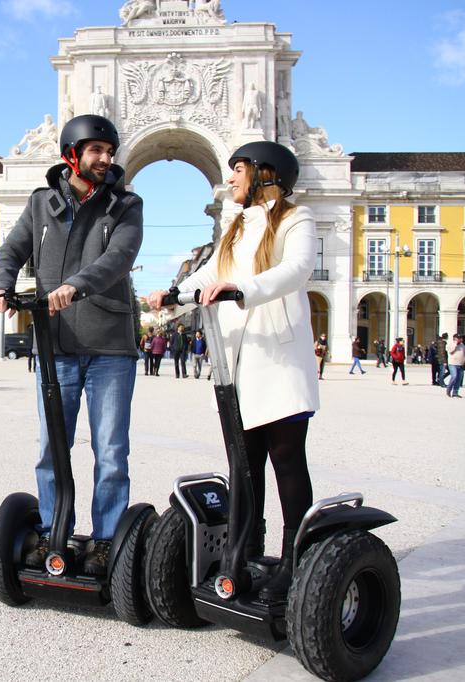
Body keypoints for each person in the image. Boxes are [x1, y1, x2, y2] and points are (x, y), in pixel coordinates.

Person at [148, 140, 317, 602]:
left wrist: (242, 287)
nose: (231, 179)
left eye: (238, 169)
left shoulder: (295, 218)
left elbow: (297, 268)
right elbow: (211, 274)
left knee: (286, 460)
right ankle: (244, 552)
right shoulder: (237, 225)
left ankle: (294, 559)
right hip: (237, 359)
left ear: (266, 172)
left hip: (279, 358)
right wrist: (174, 292)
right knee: (243, 466)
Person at [0, 114, 143, 576]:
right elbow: (12, 249)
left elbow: (120, 257)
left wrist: (77, 284)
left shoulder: (125, 204)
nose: (105, 159)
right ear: (72, 154)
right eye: (96, 150)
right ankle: (55, 531)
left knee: (111, 450)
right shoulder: (41, 205)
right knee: (52, 447)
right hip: (55, 347)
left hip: (110, 347)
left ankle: (105, 541)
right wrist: (0, 283)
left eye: (109, 152)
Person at [445, 333, 465, 398]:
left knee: (459, 379)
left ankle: (455, 392)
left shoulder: (462, 345)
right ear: (454, 339)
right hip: (452, 364)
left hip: (461, 364)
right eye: (459, 338)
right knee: (454, 376)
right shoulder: (450, 344)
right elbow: (450, 351)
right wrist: (455, 344)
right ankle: (449, 389)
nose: (460, 339)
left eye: (461, 338)